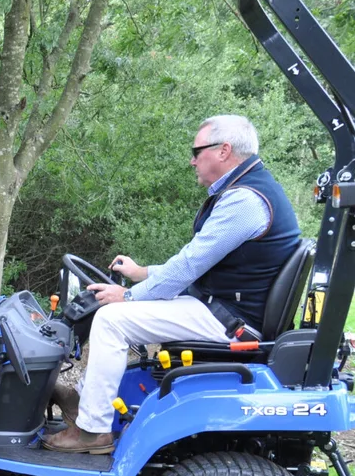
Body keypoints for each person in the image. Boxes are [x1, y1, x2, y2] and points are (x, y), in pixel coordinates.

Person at [43, 115, 301, 454]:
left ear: (224, 150)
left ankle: (92, 430)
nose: (193, 159)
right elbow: (198, 262)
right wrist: (142, 272)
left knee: (110, 320)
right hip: (225, 309)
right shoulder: (251, 189)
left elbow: (191, 264)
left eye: (197, 150)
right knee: (117, 314)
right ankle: (87, 404)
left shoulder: (245, 200)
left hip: (231, 322)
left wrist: (129, 295)